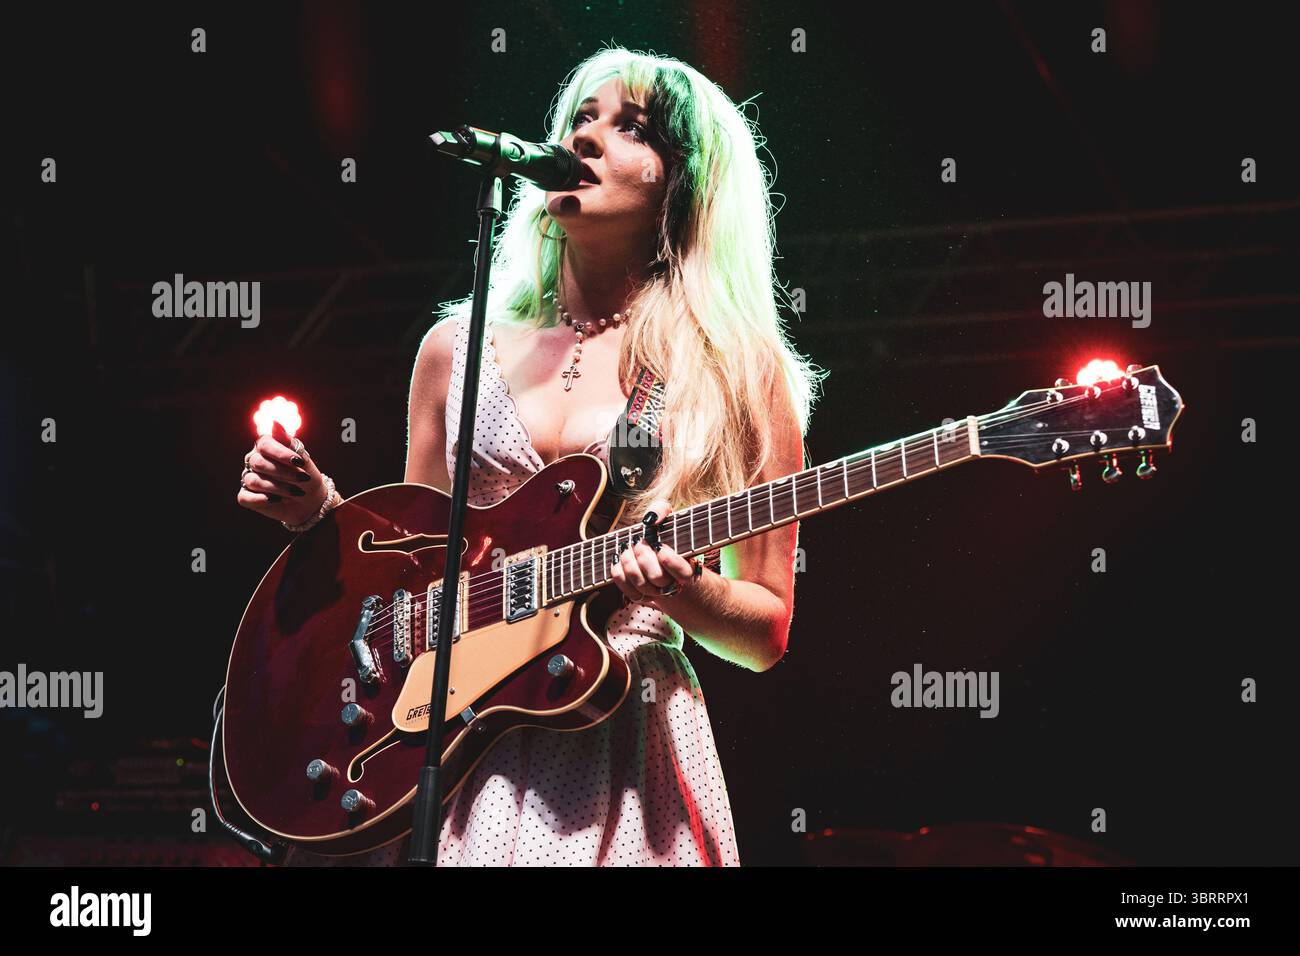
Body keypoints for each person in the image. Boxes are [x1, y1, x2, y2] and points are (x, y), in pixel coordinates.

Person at [236, 45, 826, 866]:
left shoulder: (732, 370)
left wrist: (685, 590)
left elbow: (764, 629)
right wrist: (321, 514)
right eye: (580, 117)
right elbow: (414, 574)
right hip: (448, 740)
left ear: (682, 182)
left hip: (609, 728)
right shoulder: (457, 348)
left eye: (632, 128)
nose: (587, 138)